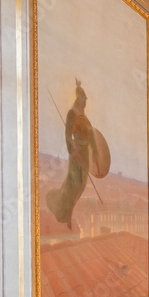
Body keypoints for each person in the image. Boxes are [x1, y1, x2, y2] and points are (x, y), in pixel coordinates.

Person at [47, 81, 108, 230]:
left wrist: (95, 152)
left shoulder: (85, 117)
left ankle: (69, 212)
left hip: (85, 153)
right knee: (73, 183)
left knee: (81, 185)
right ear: (78, 99)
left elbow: (91, 136)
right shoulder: (72, 113)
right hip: (76, 153)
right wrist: (73, 152)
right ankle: (64, 214)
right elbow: (68, 136)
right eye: (83, 99)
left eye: (86, 99)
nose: (85, 102)